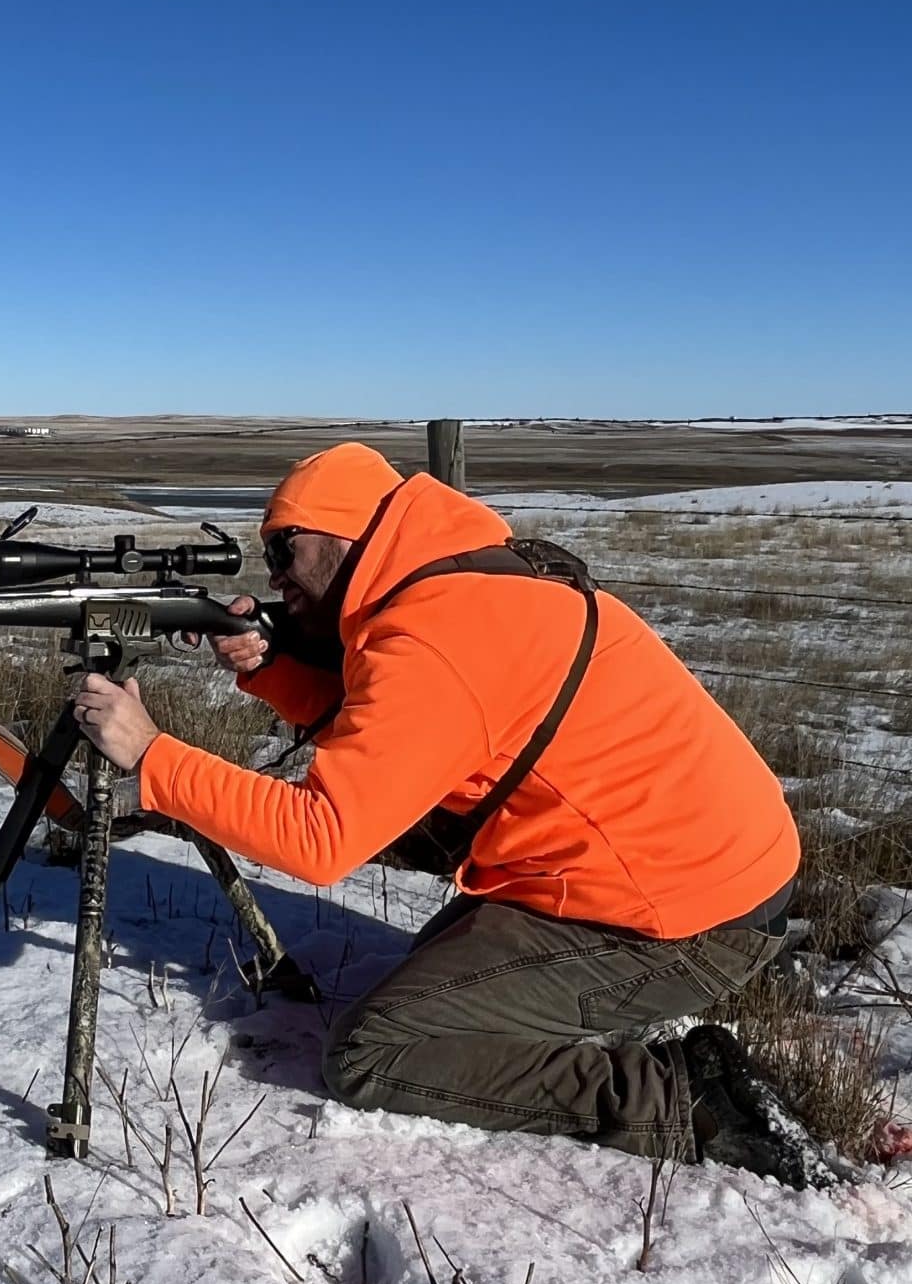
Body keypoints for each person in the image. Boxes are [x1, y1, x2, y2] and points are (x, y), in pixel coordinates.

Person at [75, 443, 812, 1185]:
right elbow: (405, 733)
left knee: (376, 1052)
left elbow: (321, 840)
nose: (272, 575)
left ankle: (683, 1099)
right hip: (675, 875)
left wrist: (152, 758)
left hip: (688, 922)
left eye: (284, 547)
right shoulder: (462, 588)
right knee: (425, 998)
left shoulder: (431, 639)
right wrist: (270, 669)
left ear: (347, 535)